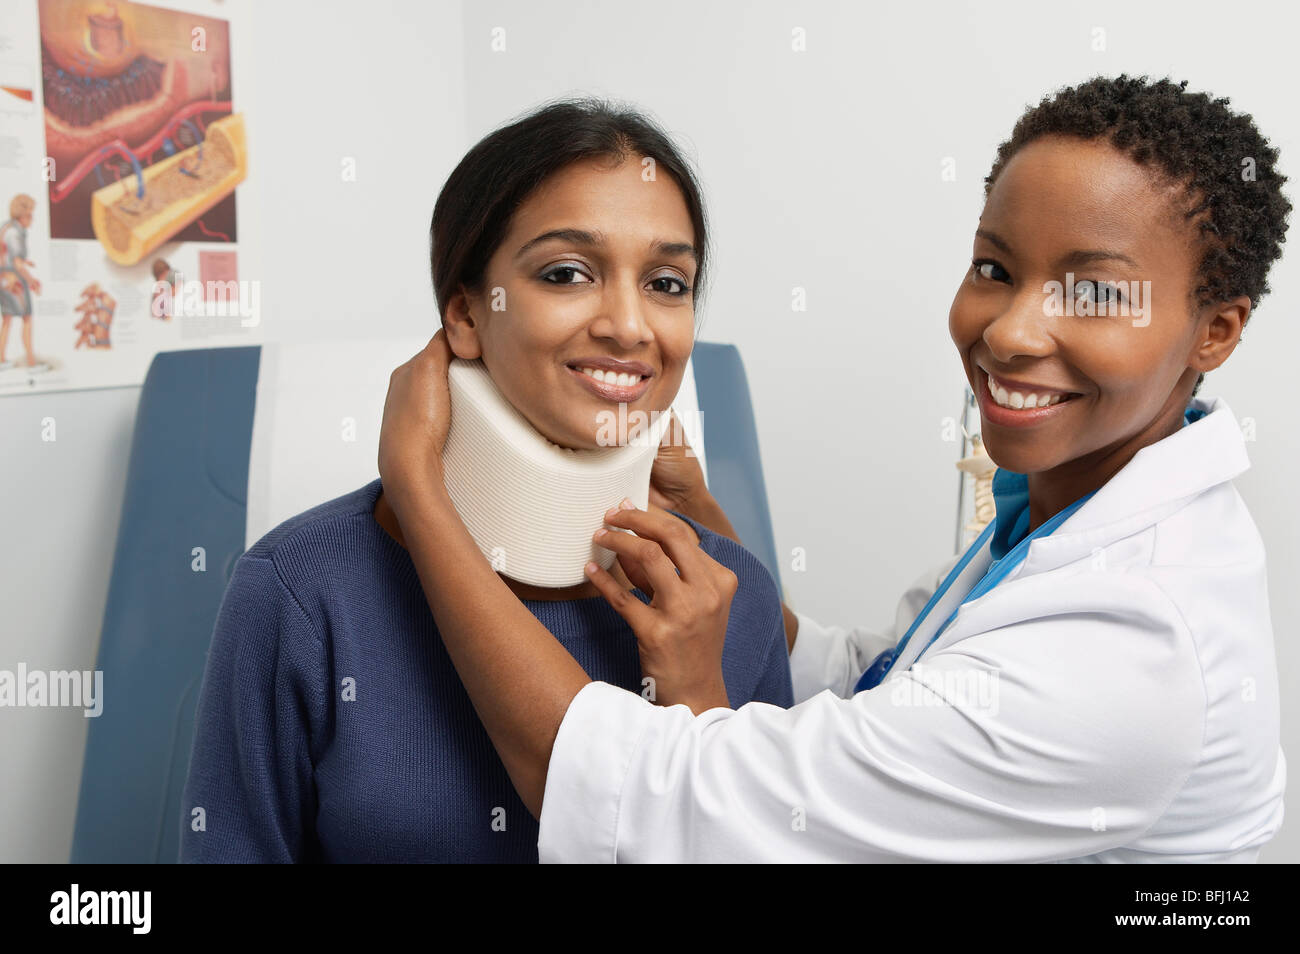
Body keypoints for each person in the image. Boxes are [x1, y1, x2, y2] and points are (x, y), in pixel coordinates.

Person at [376, 75, 1289, 862]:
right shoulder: (1058, 510)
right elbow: (878, 686)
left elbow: (680, 814)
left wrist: (421, 490)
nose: (1009, 333)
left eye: (1093, 292)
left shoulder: (1135, 650)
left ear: (1215, 331)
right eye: (994, 267)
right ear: (467, 311)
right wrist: (711, 532)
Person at [179, 99, 793, 863]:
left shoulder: (739, 598)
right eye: (567, 272)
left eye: (668, 282)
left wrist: (699, 711)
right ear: (466, 315)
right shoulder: (299, 590)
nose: (631, 327)